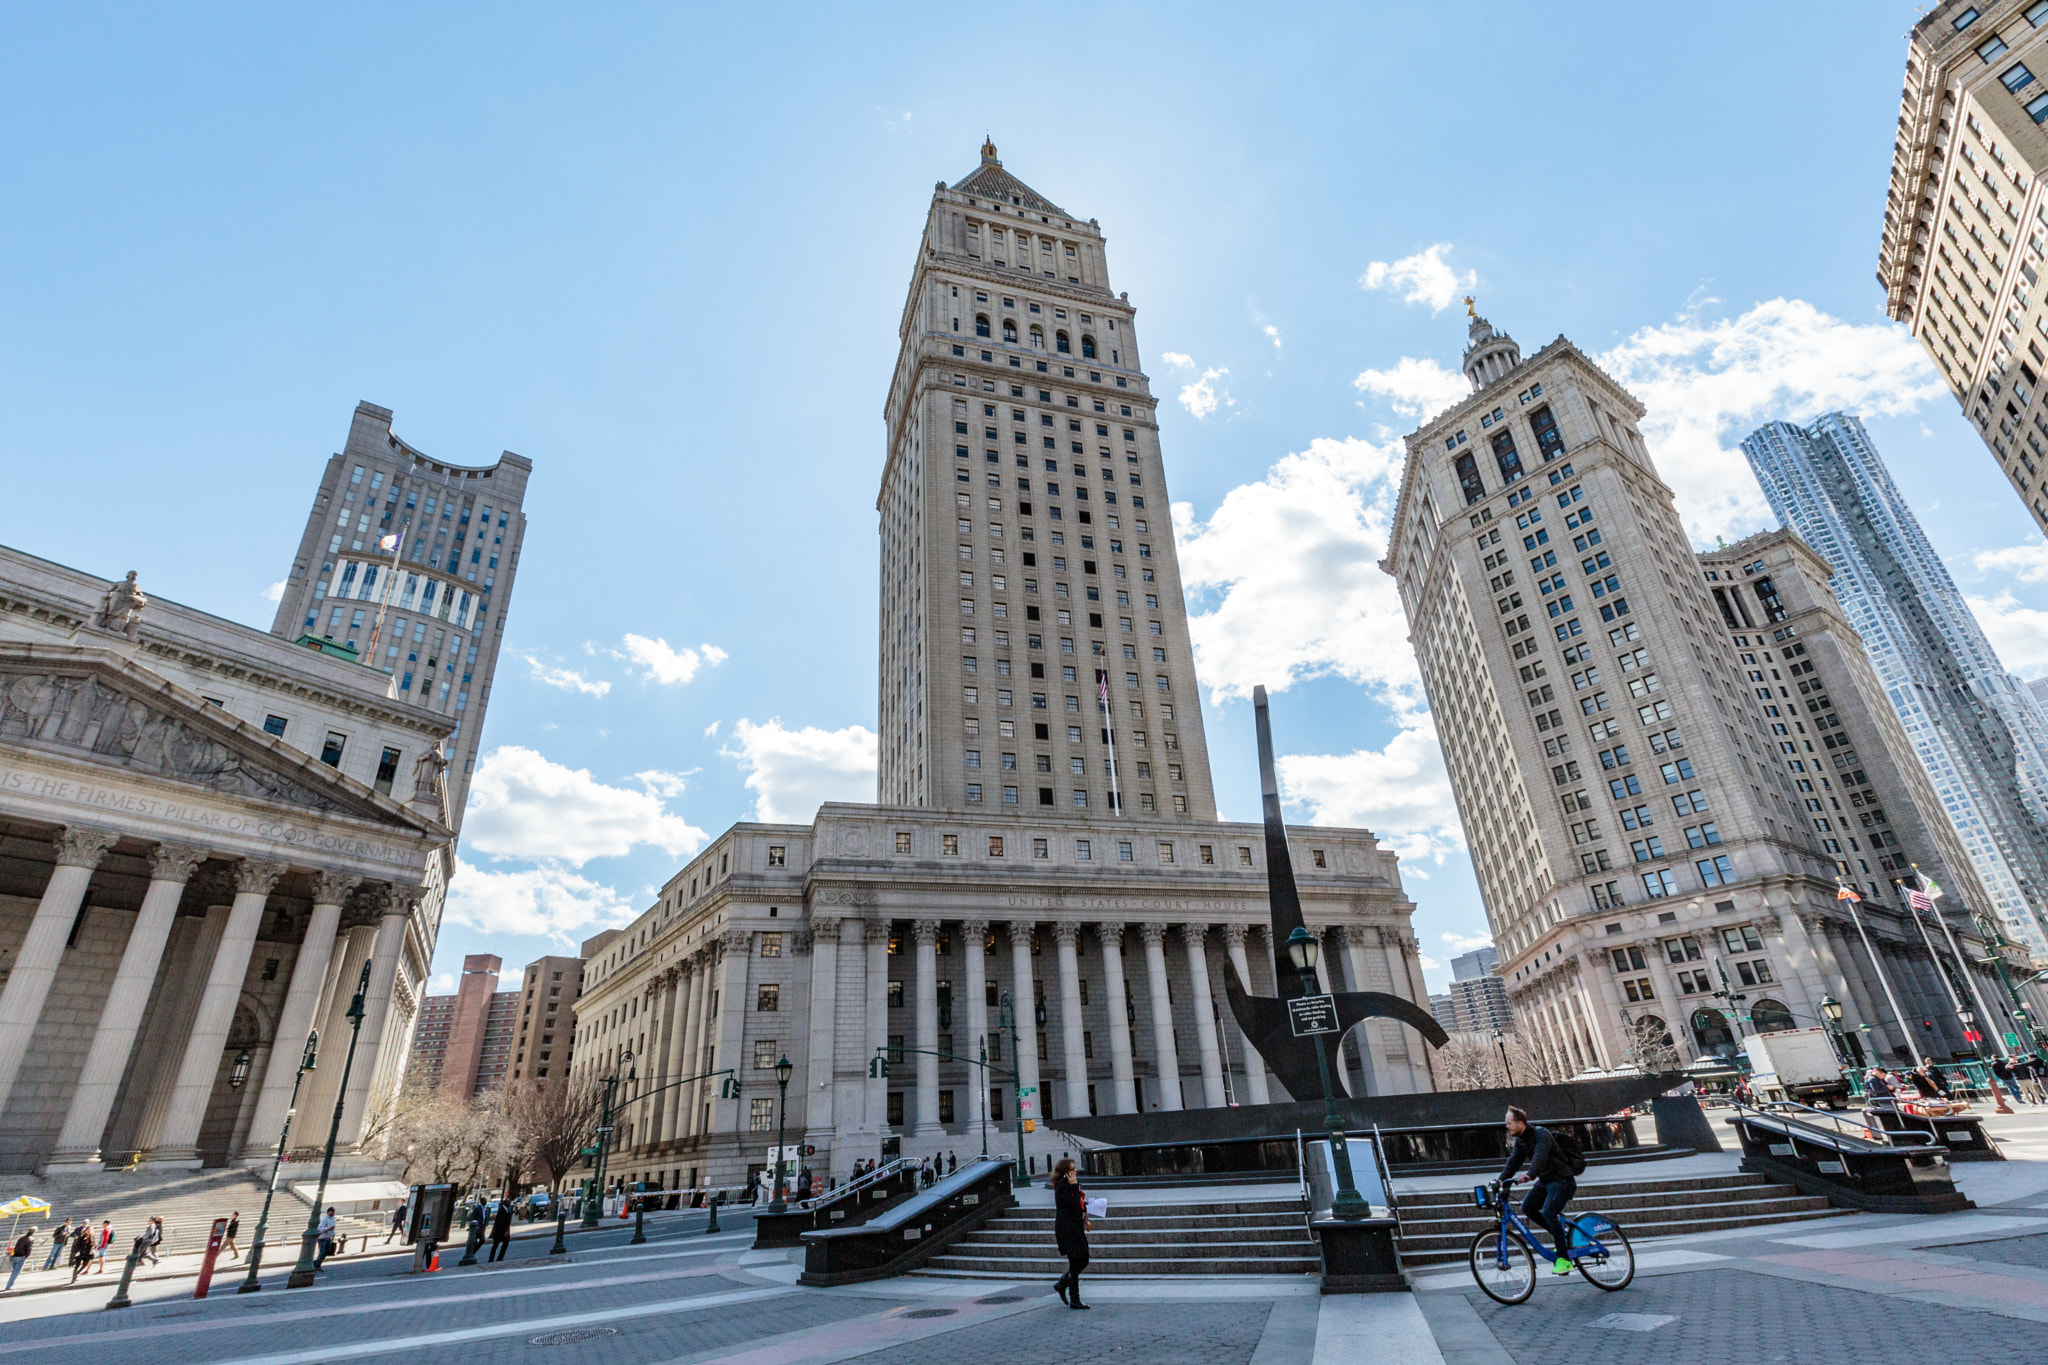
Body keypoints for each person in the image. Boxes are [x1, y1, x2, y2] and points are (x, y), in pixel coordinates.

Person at [1498, 1106, 1580, 1277]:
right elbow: (1513, 1162)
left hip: (1562, 1179)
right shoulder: (1521, 1141)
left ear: (1521, 1123)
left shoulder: (1541, 1134)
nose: (1507, 1126)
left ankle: (1564, 1259)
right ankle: (1562, 1239)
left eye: (1509, 1123)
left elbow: (1540, 1158)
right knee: (1528, 1207)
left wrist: (1529, 1175)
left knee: (1550, 1212)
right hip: (1546, 1181)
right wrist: (1500, 1180)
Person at [1050, 1157, 1091, 1310]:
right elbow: (1073, 1203)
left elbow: (1077, 1205)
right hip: (1067, 1230)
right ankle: (1074, 1298)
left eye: (1074, 1169)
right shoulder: (1062, 1187)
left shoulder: (1068, 1187)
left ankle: (1062, 1284)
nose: (1075, 1172)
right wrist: (1075, 1187)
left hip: (1074, 1228)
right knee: (1076, 1261)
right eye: (1072, 1170)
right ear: (1066, 1173)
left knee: (1083, 1259)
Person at [7, 1228, 33, 1292]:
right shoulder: (30, 1239)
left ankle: (9, 1285)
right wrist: (26, 1256)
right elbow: (29, 1249)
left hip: (15, 1255)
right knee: (16, 1272)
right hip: (21, 1256)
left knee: (14, 1271)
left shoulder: (21, 1238)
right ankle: (9, 1286)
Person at [488, 1197, 513, 1263]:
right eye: (508, 1203)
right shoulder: (502, 1210)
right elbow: (501, 1222)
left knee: (502, 1244)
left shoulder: (506, 1210)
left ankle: (498, 1257)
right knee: (496, 1245)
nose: (509, 1204)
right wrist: (505, 1231)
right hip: (500, 1231)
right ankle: (493, 1258)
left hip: (503, 1230)